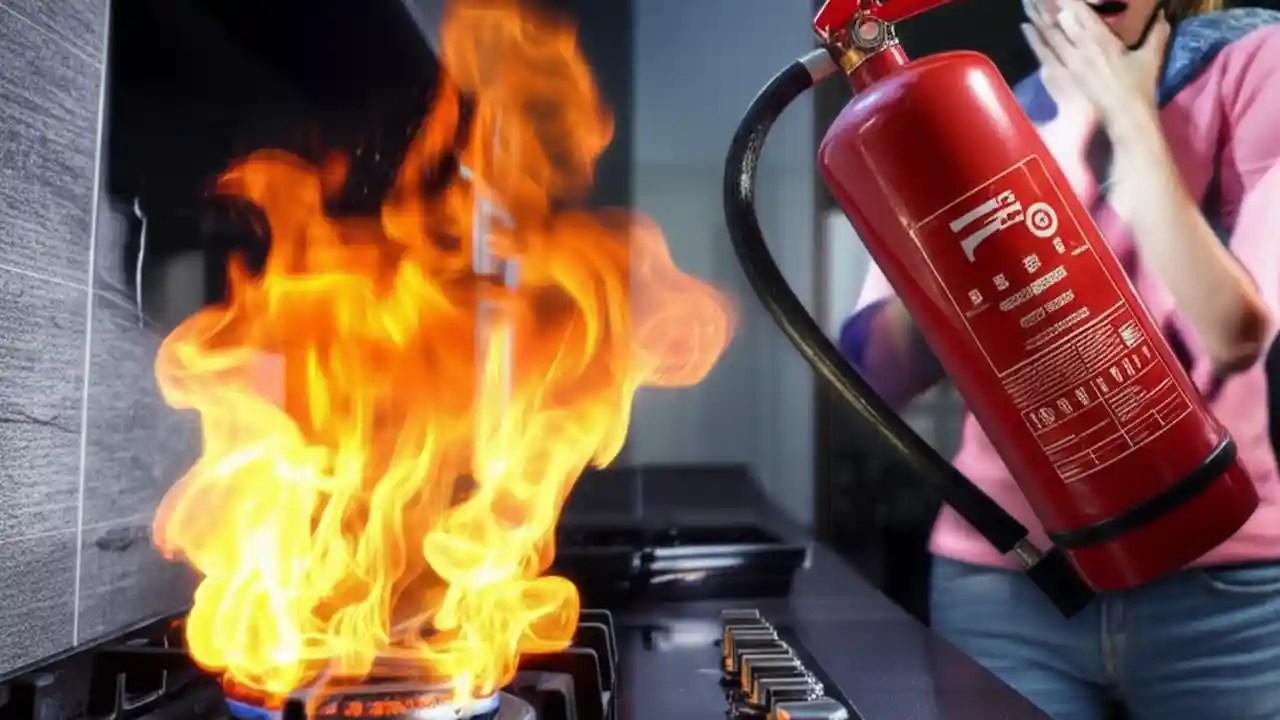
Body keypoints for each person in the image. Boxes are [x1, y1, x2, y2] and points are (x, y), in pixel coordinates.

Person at [838, 0, 1280, 717]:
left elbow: (1234, 332)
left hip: (1220, 590)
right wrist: (953, 215)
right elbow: (876, 372)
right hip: (1011, 587)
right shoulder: (974, 108)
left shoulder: (1252, 67)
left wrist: (1128, 118)